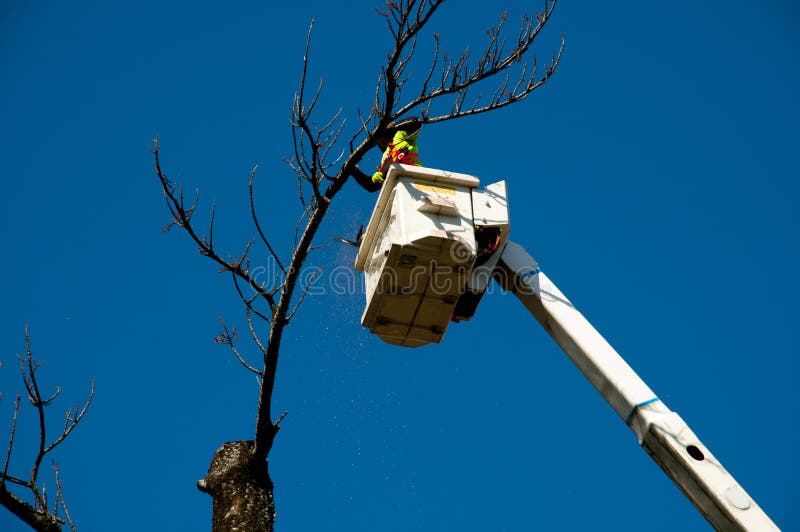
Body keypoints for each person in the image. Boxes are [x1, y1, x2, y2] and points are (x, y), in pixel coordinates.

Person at [351, 117, 423, 192]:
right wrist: (354, 171)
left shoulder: (400, 137)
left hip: (416, 175)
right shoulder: (385, 157)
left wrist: (394, 128)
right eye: (379, 142)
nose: (381, 144)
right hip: (403, 184)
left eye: (381, 139)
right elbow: (371, 186)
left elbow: (415, 122)